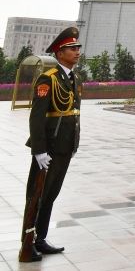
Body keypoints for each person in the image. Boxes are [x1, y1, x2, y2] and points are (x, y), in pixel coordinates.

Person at [20, 27, 82, 262]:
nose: (77, 52)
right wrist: (39, 150)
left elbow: (73, 114)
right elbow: (37, 117)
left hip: (65, 146)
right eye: (72, 49)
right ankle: (27, 241)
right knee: (36, 195)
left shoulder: (74, 78)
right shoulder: (49, 78)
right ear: (59, 52)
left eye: (77, 48)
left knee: (51, 194)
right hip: (49, 148)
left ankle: (40, 239)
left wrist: (74, 143)